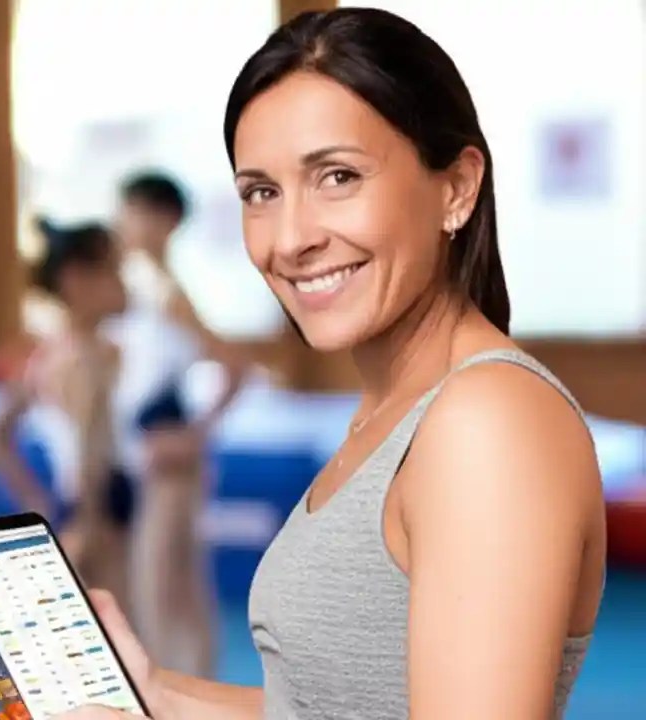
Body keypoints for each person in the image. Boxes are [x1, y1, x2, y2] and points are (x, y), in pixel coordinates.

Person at [59, 8, 605, 719]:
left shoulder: (487, 421)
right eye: (262, 192)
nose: (290, 239)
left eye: (338, 176)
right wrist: (153, 694)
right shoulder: (396, 412)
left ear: (457, 188)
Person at [111, 171, 251, 677]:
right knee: (174, 594)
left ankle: (181, 698)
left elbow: (235, 366)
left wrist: (195, 434)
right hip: (143, 455)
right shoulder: (136, 291)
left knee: (163, 596)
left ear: (164, 221)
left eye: (132, 212)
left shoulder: (167, 293)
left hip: (169, 461)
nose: (122, 223)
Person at [0, 218, 132, 609]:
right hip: (96, 509)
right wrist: (86, 521)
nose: (124, 284)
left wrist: (39, 504)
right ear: (76, 281)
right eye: (114, 271)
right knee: (116, 642)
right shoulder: (80, 359)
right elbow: (86, 447)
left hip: (88, 505)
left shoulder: (60, 351)